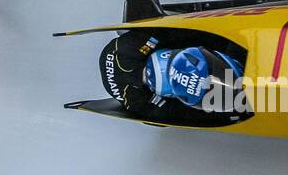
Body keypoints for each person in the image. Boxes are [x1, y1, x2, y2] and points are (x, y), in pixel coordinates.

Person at [99, 32, 244, 120]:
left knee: (182, 41)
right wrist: (228, 113)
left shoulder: (130, 46)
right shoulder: (136, 100)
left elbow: (173, 33)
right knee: (178, 110)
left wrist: (225, 40)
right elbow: (175, 115)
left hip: (140, 47)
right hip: (147, 98)